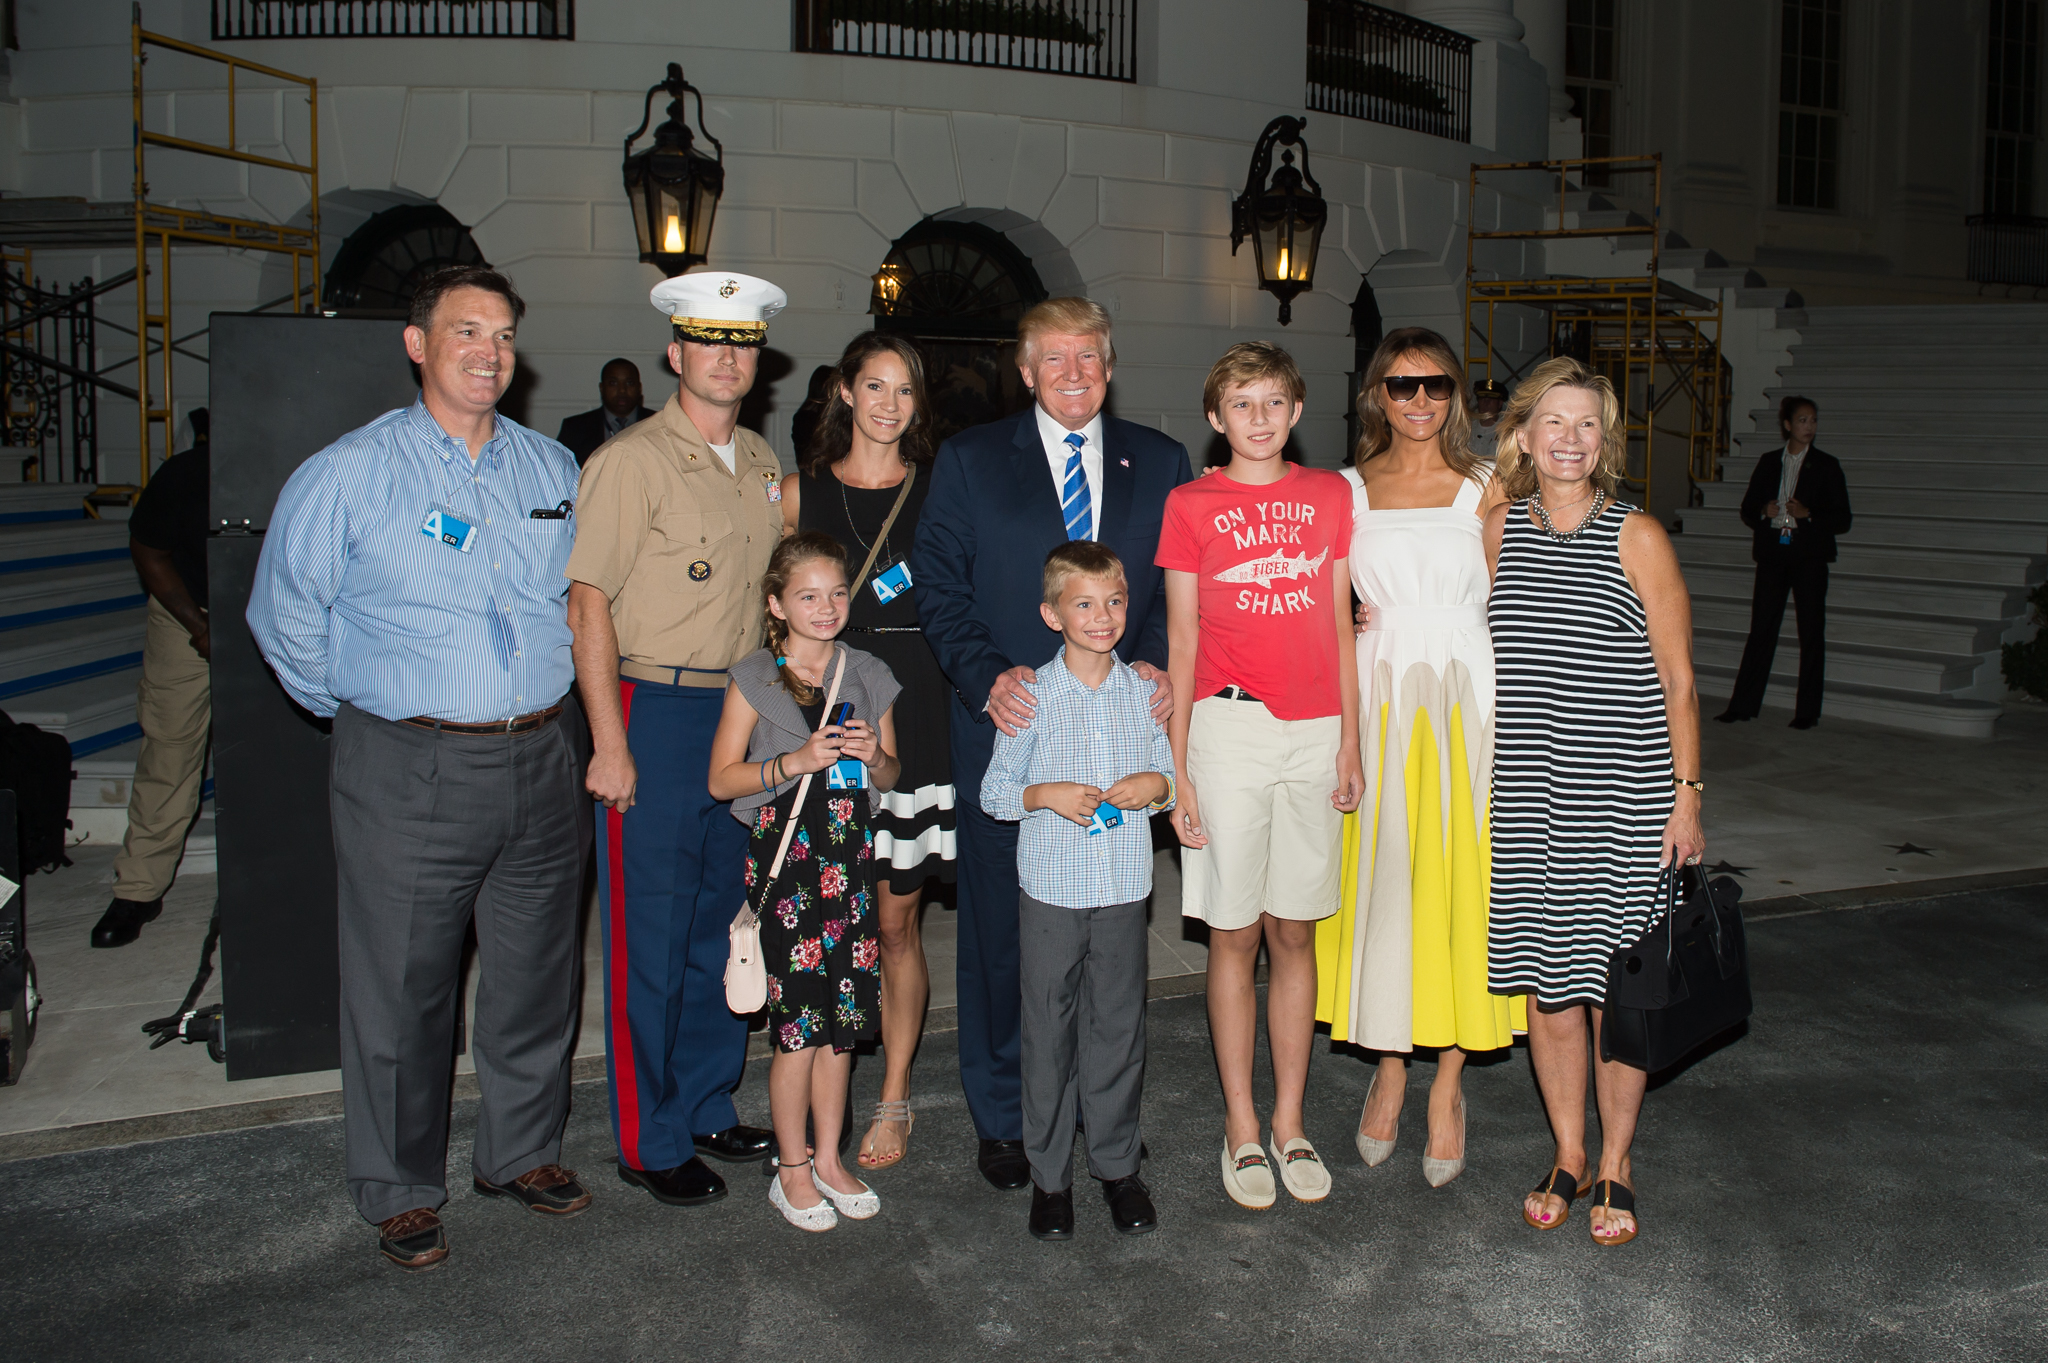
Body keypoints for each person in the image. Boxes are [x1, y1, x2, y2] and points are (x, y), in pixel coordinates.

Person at [246, 265, 591, 1271]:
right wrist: (373, 713)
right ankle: (399, 1186)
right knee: (402, 986)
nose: (488, 352)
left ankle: (519, 1151)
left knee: (536, 974)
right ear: (417, 343)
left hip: (543, 753)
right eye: (466, 330)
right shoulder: (348, 473)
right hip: (408, 761)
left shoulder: (552, 469)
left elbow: (582, 603)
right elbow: (284, 613)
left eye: (503, 334)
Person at [913, 297, 1191, 1192]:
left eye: (1090, 357)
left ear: (1110, 366)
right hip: (1015, 728)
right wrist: (986, 675)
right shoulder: (969, 459)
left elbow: (1171, 591)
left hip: (1119, 735)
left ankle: (1103, 1120)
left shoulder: (1160, 459)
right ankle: (1007, 1114)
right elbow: (939, 585)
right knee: (1006, 938)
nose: (1075, 374)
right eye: (1055, 359)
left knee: (1110, 951)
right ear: (1026, 371)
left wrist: (1154, 660)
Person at [565, 272, 786, 1210]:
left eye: (741, 344)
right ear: (675, 353)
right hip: (653, 708)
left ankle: (704, 1100)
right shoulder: (631, 462)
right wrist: (609, 741)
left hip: (739, 714)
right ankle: (648, 1136)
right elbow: (587, 603)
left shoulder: (762, 460)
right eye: (708, 342)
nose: (726, 359)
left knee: (722, 925)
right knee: (648, 936)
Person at [1483, 356, 1706, 1249]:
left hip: (1622, 797)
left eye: (1587, 424)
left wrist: (1687, 798)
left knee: (1617, 990)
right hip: (1528, 795)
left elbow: (1680, 680)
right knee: (1549, 988)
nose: (1571, 439)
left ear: (1604, 440)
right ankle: (1567, 1152)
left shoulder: (1635, 533)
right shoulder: (1498, 528)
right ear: (1524, 434)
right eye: (1555, 421)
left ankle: (1616, 1158)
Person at [1159, 342, 1363, 1210]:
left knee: (1295, 931)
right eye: (1242, 403)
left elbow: (1343, 625)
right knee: (1234, 934)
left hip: (1316, 730)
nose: (1259, 417)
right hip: (1228, 728)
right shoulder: (1190, 503)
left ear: (1296, 410)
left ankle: (1290, 1119)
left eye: (1274, 401)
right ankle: (1241, 1122)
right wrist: (1177, 768)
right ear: (1216, 417)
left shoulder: (1330, 495)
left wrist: (1353, 741)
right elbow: (1181, 642)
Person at [1320, 329, 1519, 1189]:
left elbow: (1516, 600)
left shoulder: (1489, 484)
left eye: (1436, 383)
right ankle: (1391, 1067)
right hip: (1378, 693)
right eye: (1402, 385)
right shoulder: (1346, 489)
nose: (1420, 400)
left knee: (1462, 880)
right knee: (1389, 880)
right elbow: (1320, 606)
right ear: (1378, 394)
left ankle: (1447, 1082)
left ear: (1456, 393)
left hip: (1471, 695)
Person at [781, 333, 954, 1172]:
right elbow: (765, 609)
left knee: (893, 923)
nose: (890, 404)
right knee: (829, 919)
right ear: (845, 391)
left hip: (914, 718)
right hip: (825, 719)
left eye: (905, 390)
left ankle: (893, 1091)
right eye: (874, 386)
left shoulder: (941, 489)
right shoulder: (799, 493)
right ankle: (824, 1082)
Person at [981, 542, 1177, 1241]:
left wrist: (1157, 785)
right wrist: (1045, 794)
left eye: (1114, 601)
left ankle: (1118, 1167)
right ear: (1052, 613)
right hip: (1052, 890)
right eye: (1084, 603)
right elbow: (995, 792)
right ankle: (1050, 1178)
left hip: (1123, 886)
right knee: (1048, 1030)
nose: (1102, 616)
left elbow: (1168, 776)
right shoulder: (1031, 695)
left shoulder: (1144, 693)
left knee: (1119, 1028)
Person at [707, 531, 900, 1232]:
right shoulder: (754, 676)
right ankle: (791, 1167)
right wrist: (792, 762)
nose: (826, 607)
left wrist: (874, 755)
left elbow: (891, 776)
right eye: (808, 596)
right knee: (798, 1028)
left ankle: (828, 1157)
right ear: (776, 604)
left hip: (848, 863)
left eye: (837, 593)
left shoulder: (868, 671)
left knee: (841, 1025)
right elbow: (721, 778)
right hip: (787, 866)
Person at [92, 408, 212, 950]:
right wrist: (197, 626)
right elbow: (147, 549)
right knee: (170, 745)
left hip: (277, 608)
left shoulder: (312, 467)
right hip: (188, 610)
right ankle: (139, 889)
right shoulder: (185, 475)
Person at [1717, 395, 1851, 730]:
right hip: (1774, 553)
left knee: (1811, 632)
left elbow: (1842, 518)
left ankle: (1807, 711)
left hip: (1809, 556)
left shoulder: (1826, 465)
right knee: (1762, 629)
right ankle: (1742, 705)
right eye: (1803, 420)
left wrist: (1810, 514)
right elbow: (1748, 508)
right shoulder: (1768, 462)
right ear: (1788, 425)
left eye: (1813, 420)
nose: (1809, 426)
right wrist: (1764, 510)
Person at [555, 358, 655, 466]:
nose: (622, 390)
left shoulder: (658, 423)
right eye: (613, 383)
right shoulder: (575, 428)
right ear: (602, 388)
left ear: (639, 388)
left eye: (629, 383)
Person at [1468, 378, 1508, 462]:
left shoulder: (1506, 431)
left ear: (1500, 403)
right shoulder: (1467, 428)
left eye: (1491, 399)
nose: (1486, 403)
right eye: (1482, 399)